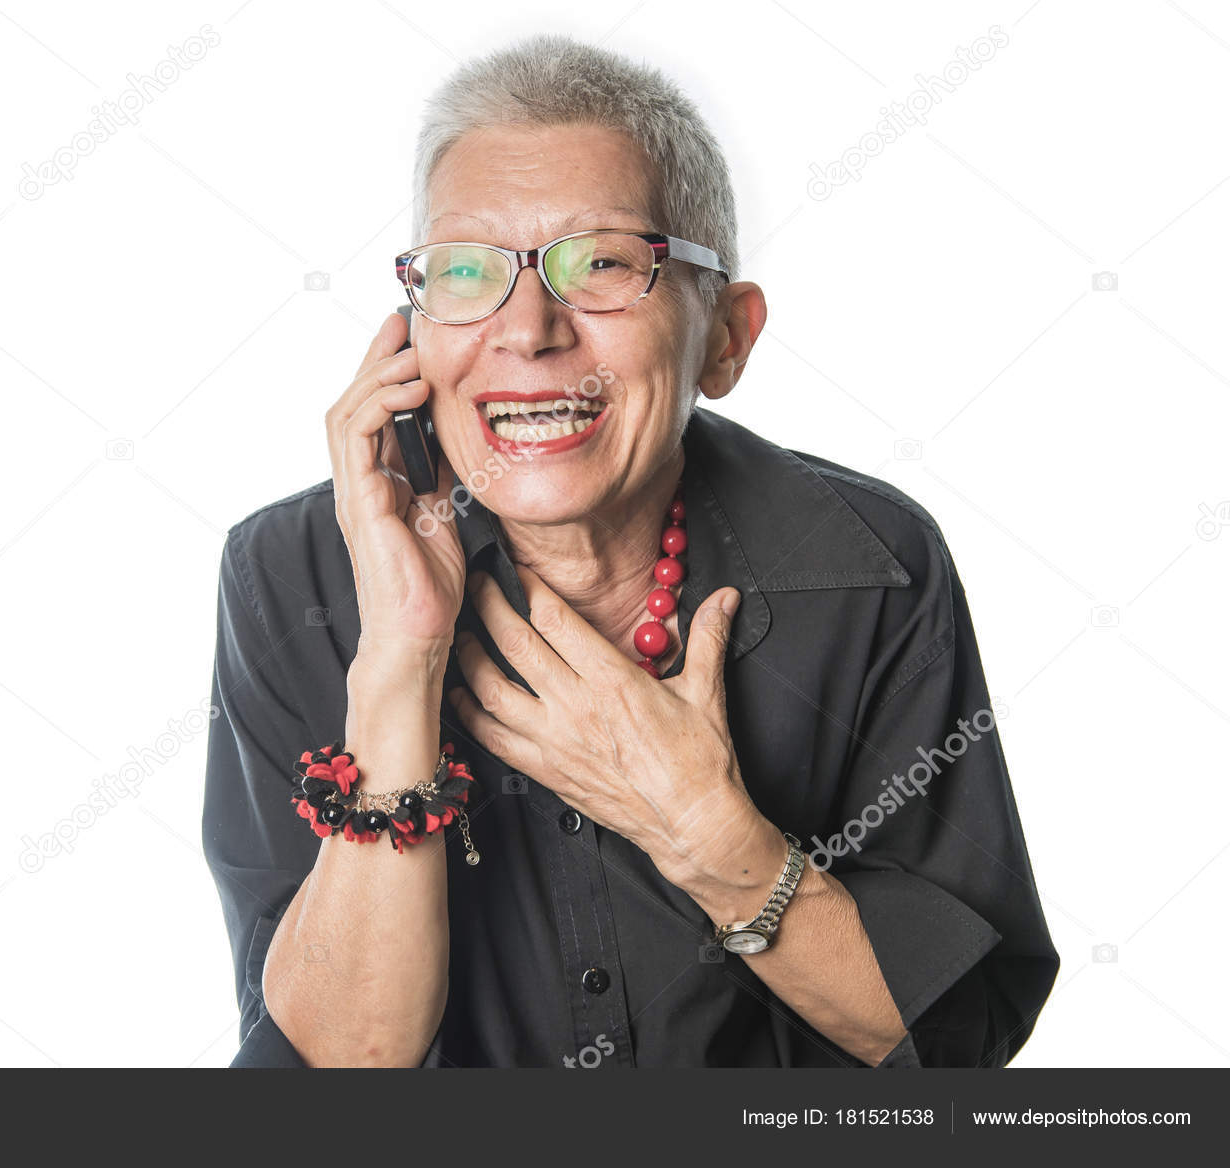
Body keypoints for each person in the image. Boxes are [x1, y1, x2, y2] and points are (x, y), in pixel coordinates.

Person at [203, 33, 1058, 1068]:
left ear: (725, 338)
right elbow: (336, 1069)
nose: (527, 329)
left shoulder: (869, 561)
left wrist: (707, 833)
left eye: (602, 264)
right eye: (465, 271)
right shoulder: (291, 575)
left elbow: (955, 1040)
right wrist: (399, 660)